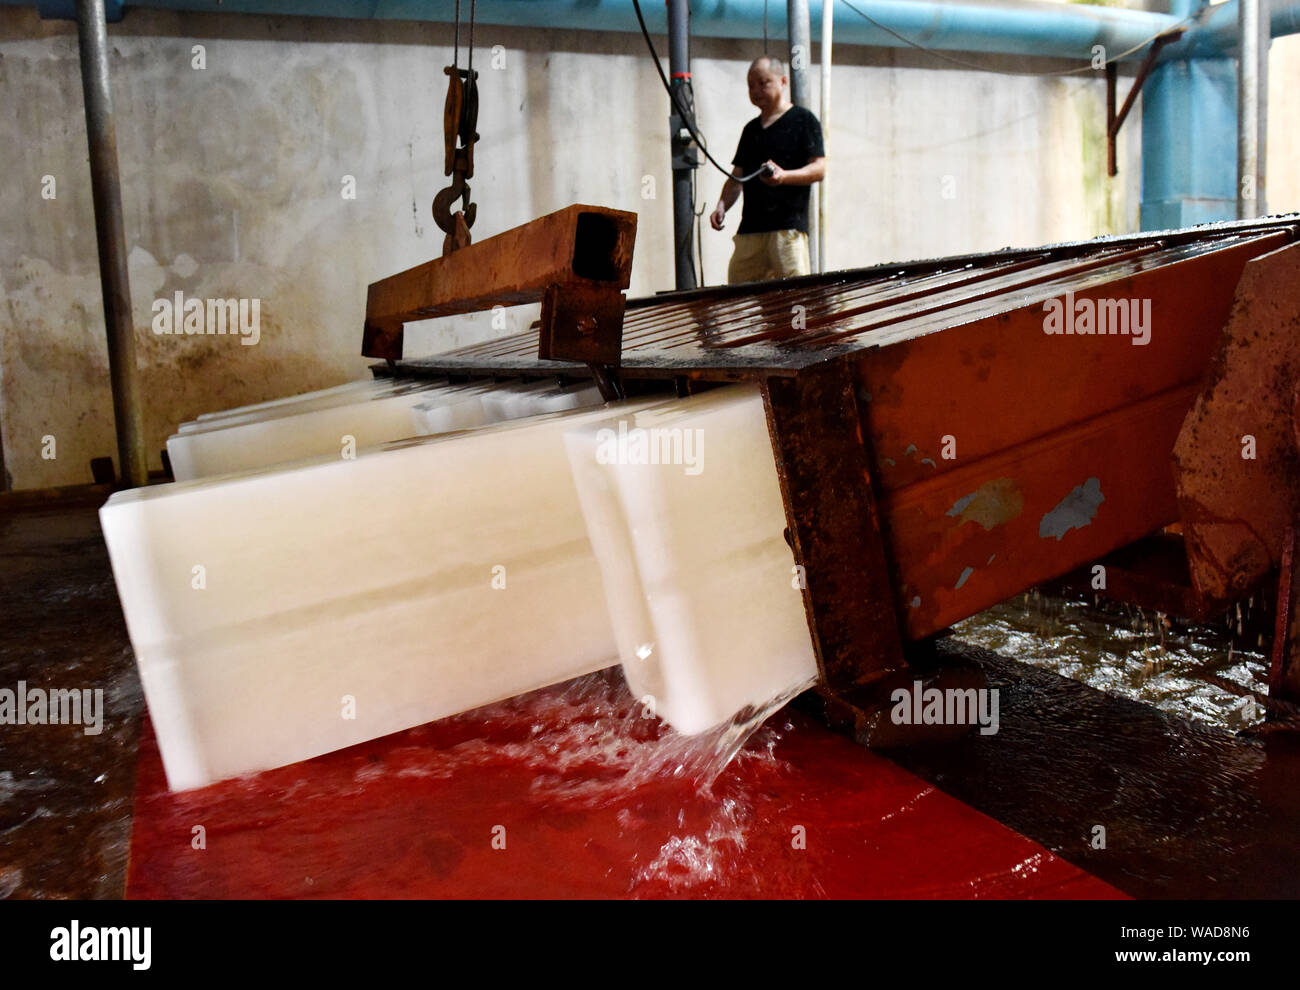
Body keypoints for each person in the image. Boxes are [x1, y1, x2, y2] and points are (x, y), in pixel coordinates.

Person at [710, 55, 826, 284]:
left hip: (787, 231)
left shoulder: (803, 120)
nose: (756, 90)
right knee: (736, 300)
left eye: (763, 83)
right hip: (750, 231)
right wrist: (722, 205)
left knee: (794, 297)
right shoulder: (750, 130)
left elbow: (819, 169)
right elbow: (737, 178)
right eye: (751, 85)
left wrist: (784, 177)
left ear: (783, 81)